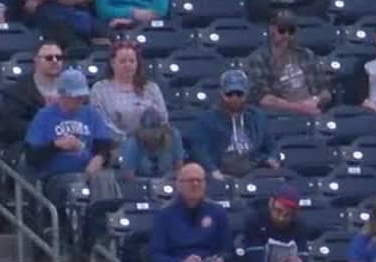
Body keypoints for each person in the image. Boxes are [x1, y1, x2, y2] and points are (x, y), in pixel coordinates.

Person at [23, 68, 115, 217]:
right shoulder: (45, 116)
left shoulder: (91, 114)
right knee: (77, 183)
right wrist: (56, 145)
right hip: (57, 177)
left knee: (105, 178)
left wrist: (98, 160)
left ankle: (102, 225)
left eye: (81, 97)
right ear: (63, 95)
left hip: (88, 172)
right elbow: (31, 156)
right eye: (74, 97)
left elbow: (103, 147)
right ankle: (80, 229)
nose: (79, 101)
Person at [90, 39, 177, 169]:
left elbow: (163, 117)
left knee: (174, 135)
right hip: (119, 143)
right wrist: (127, 137)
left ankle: (176, 175)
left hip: (152, 139)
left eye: (132, 61)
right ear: (113, 63)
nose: (128, 65)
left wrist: (149, 134)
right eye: (123, 61)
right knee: (134, 148)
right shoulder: (100, 89)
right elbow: (102, 121)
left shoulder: (151, 88)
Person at [149, 163, 231, 262]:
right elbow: (156, 255)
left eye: (199, 180)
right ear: (179, 184)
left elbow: (227, 250)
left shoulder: (218, 212)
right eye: (190, 180)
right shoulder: (164, 215)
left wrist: (221, 260)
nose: (195, 184)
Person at [186, 70, 279, 179]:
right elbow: (200, 151)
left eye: (239, 94)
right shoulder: (206, 120)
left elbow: (271, 145)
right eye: (229, 94)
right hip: (222, 172)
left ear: (246, 94)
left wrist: (272, 158)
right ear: (221, 94)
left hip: (254, 170)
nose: (234, 98)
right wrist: (212, 170)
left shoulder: (257, 117)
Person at [242, 10, 333, 118]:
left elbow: (326, 91)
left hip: (313, 112)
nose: (286, 35)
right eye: (282, 30)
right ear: (271, 30)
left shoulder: (307, 55)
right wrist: (300, 108)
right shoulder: (258, 60)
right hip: (280, 116)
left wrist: (315, 100)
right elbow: (263, 99)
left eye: (291, 31)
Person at [0, 41, 64, 146]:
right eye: (49, 58)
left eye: (58, 57)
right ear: (36, 60)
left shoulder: (72, 88)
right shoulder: (18, 91)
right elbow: (12, 126)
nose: (55, 61)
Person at [238, 188, 309, 262]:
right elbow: (255, 261)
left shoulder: (299, 225)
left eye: (288, 215)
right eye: (278, 211)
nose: (281, 218)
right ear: (271, 203)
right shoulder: (255, 220)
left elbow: (303, 256)